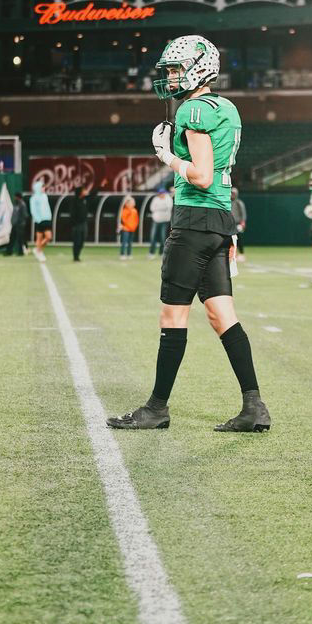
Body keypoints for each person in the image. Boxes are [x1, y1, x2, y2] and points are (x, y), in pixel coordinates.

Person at [106, 34, 270, 434]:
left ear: (199, 66)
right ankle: (254, 407)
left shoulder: (193, 110)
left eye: (178, 68)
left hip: (194, 220)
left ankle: (157, 408)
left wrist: (167, 157)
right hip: (219, 221)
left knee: (173, 314)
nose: (172, 77)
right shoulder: (225, 107)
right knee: (221, 315)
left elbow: (200, 175)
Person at [29, 179, 52, 261]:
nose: (44, 189)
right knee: (39, 238)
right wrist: (38, 219)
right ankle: (39, 252)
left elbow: (47, 208)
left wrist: (49, 216)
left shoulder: (44, 196)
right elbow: (33, 210)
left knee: (48, 237)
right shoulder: (33, 198)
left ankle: (37, 250)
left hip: (47, 219)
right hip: (40, 220)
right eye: (42, 187)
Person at [148, 186, 173, 257]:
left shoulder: (168, 199)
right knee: (153, 237)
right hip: (156, 220)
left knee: (163, 237)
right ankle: (151, 253)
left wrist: (158, 208)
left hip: (165, 221)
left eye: (163, 193)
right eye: (160, 193)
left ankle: (161, 252)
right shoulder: (155, 199)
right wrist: (162, 207)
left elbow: (168, 207)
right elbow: (152, 208)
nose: (161, 194)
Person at [71, 184, 92, 262]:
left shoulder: (85, 199)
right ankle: (75, 257)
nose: (86, 191)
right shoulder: (74, 201)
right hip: (77, 225)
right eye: (84, 190)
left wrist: (101, 186)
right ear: (80, 192)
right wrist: (74, 223)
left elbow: (93, 194)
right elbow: (72, 213)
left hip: (84, 224)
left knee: (82, 240)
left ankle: (77, 255)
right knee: (77, 241)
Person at [5, 192, 29, 256]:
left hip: (20, 225)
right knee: (12, 238)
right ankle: (8, 252)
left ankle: (20, 252)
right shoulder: (16, 204)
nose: (14, 198)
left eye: (15, 197)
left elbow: (25, 215)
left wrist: (21, 223)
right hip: (15, 225)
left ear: (18, 197)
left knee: (20, 239)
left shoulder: (22, 204)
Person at [230, 186, 247, 263]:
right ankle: (233, 254)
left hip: (237, 223)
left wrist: (242, 222)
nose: (232, 195)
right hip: (230, 223)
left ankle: (241, 254)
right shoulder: (228, 202)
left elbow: (243, 213)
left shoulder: (239, 203)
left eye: (233, 193)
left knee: (239, 238)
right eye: (231, 193)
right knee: (230, 239)